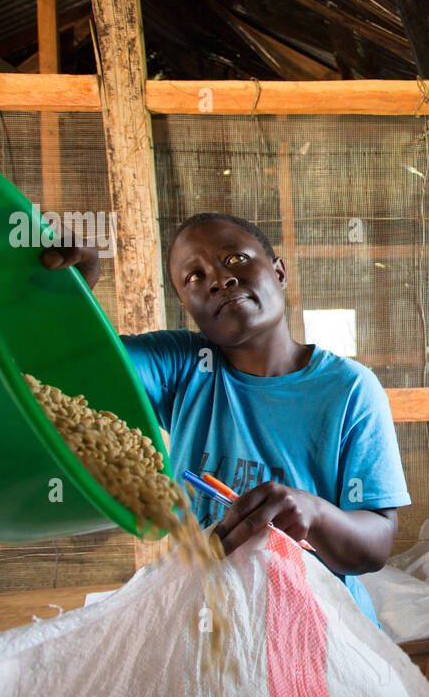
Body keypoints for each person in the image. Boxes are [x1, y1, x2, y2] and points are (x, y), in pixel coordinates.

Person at [40, 212, 409, 625]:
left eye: (235, 259)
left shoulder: (349, 389)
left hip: (318, 628)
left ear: (279, 272)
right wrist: (75, 287)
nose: (219, 279)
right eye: (194, 277)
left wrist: (315, 512)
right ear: (186, 305)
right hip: (208, 620)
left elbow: (375, 547)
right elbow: (72, 374)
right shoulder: (182, 364)